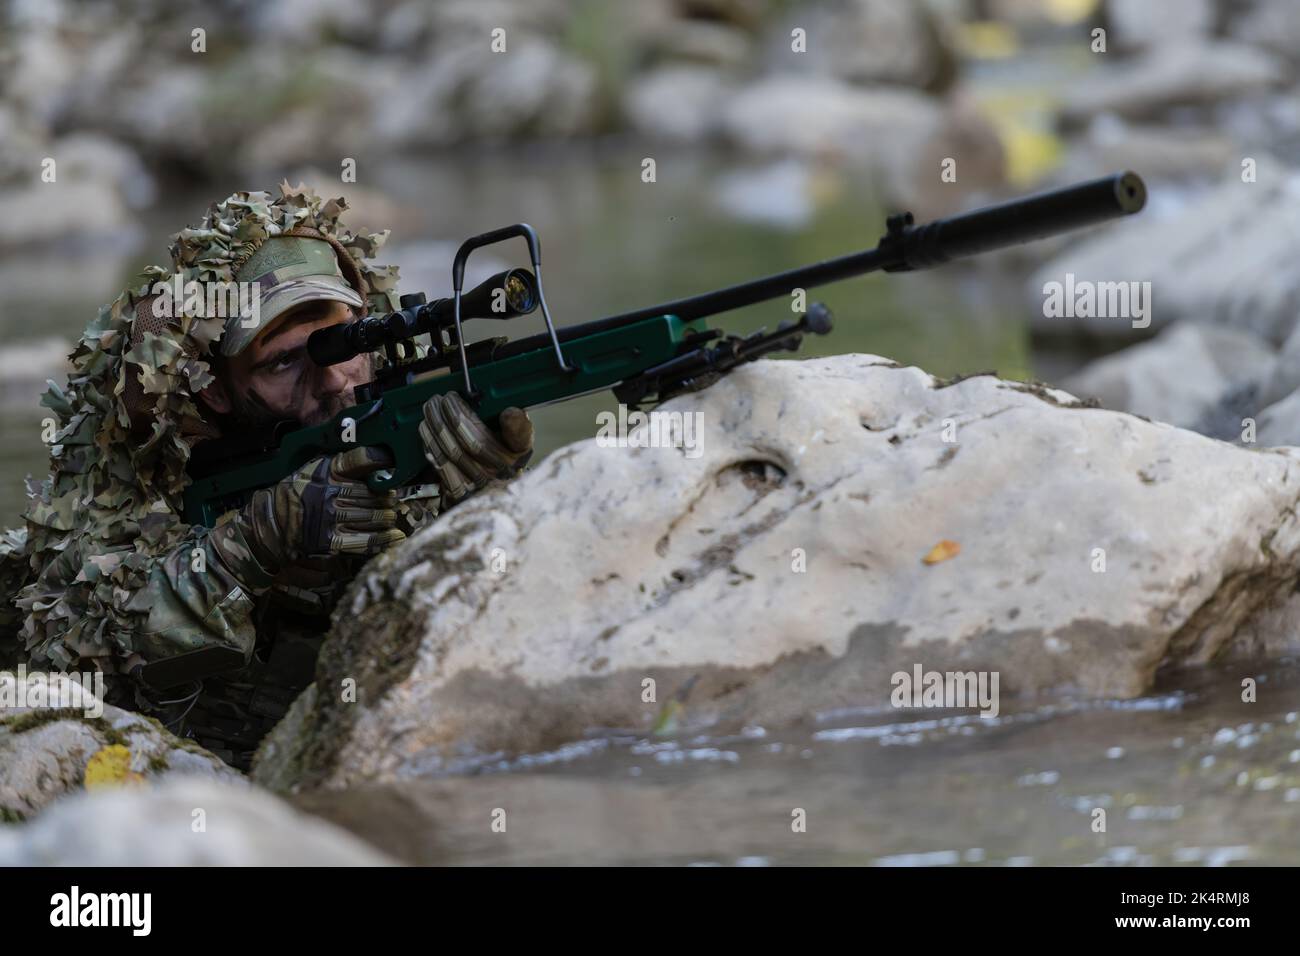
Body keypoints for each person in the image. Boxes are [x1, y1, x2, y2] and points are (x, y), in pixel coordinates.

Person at [0, 183, 532, 769]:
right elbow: (95, 656)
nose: (334, 381)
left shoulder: (397, 424)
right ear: (215, 389)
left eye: (344, 342)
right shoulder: (134, 475)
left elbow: (505, 634)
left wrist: (482, 498)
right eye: (283, 361)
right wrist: (256, 540)